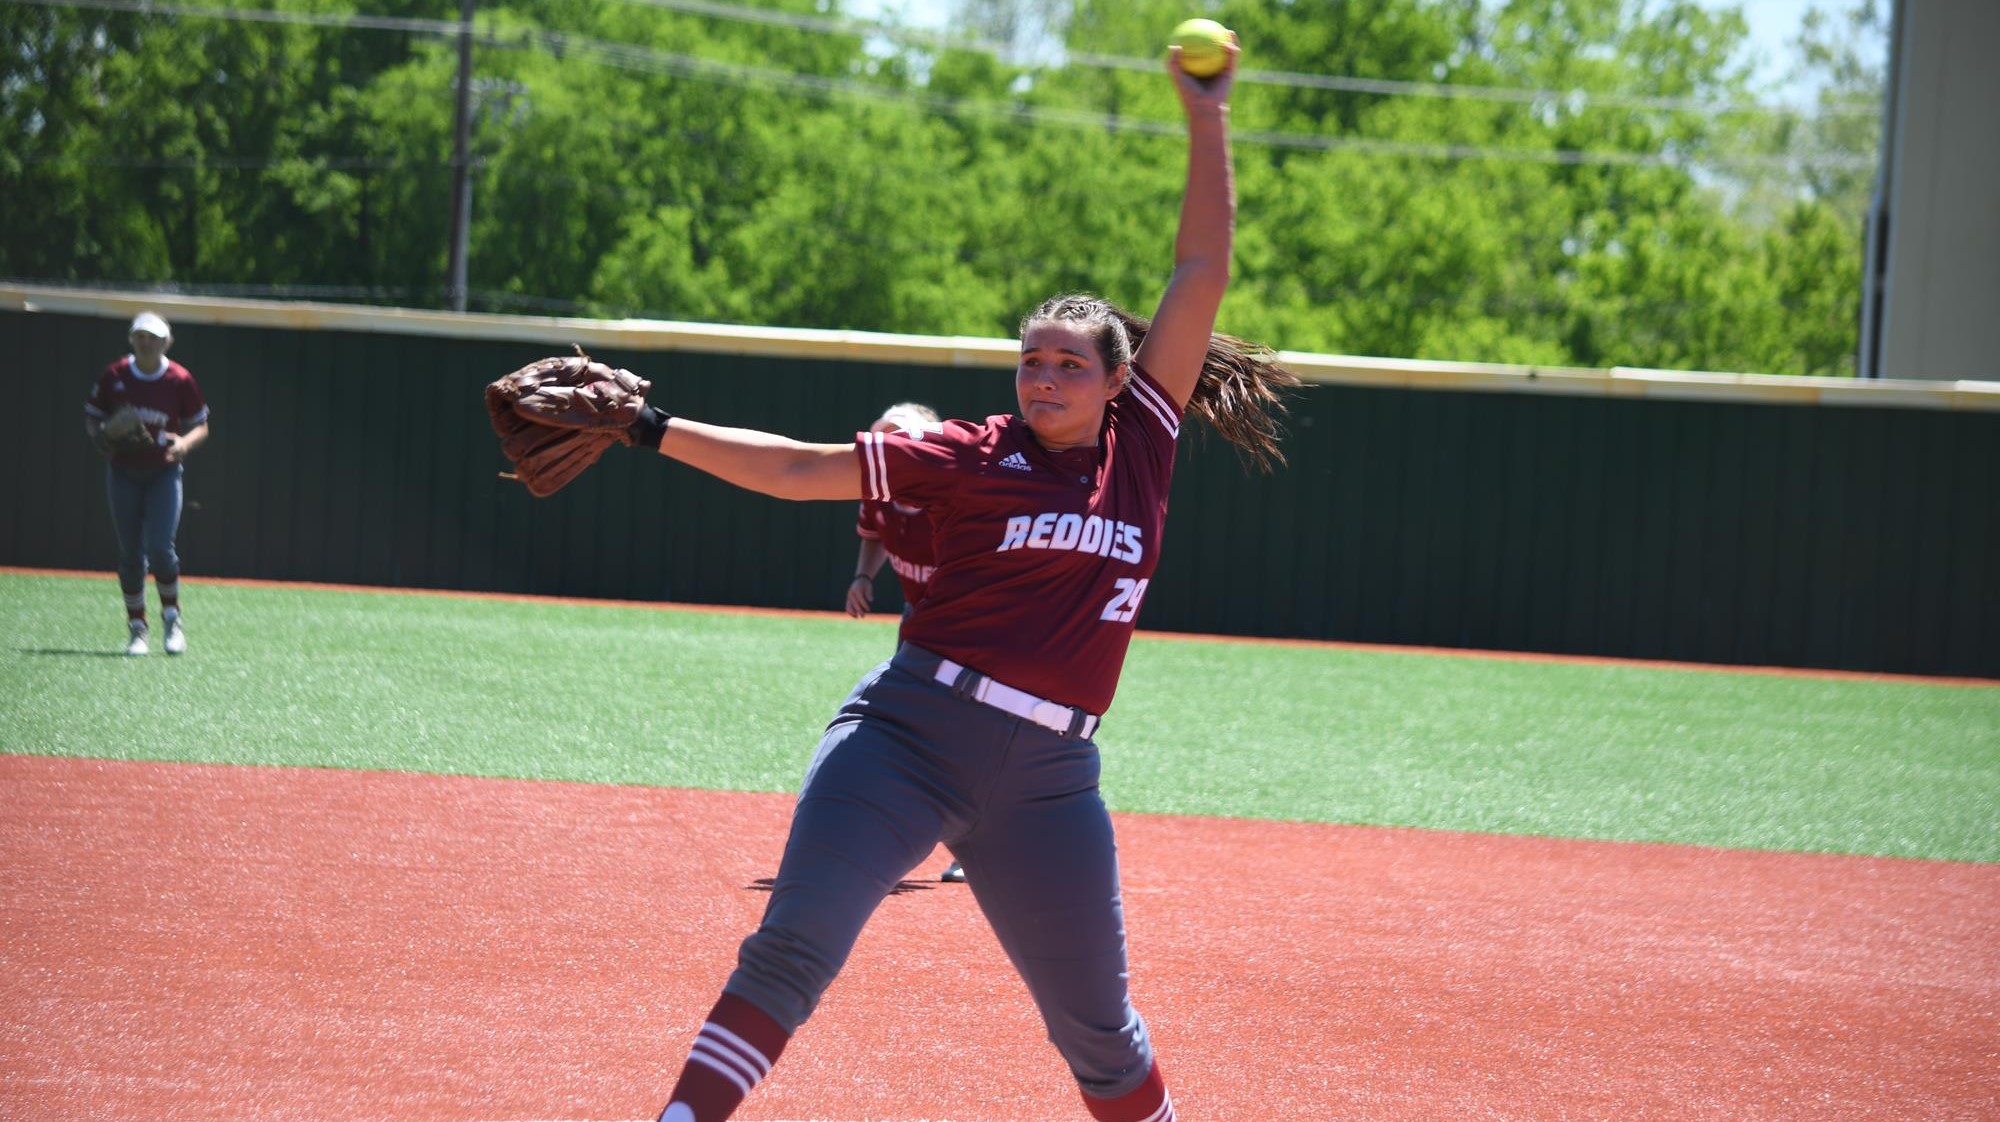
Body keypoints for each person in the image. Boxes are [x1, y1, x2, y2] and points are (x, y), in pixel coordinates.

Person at [630, 39, 1292, 1122]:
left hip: (1048, 785)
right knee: (790, 953)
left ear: (1121, 380)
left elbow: (1198, 273)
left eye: (1068, 362)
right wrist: (650, 429)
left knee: (1101, 1036)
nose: (1042, 376)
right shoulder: (970, 452)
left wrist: (1206, 119)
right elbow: (801, 469)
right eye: (1029, 360)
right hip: (906, 737)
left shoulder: (1143, 446)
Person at [842, 402, 966, 882]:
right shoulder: (876, 494)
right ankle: (890, 836)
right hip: (918, 622)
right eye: (880, 440)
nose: (886, 450)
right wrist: (861, 577)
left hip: (967, 631)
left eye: (898, 440)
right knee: (907, 731)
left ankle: (973, 846)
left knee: (955, 737)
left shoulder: (948, 499)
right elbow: (872, 533)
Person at [82, 311, 210, 656]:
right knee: (130, 555)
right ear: (131, 339)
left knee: (160, 547)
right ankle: (137, 628)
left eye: (153, 337)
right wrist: (101, 439)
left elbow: (201, 425)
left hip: (163, 471)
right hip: (123, 470)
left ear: (166, 342)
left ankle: (172, 616)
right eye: (140, 335)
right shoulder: (116, 375)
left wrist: (184, 443)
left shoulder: (179, 379)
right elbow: (93, 416)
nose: (146, 342)